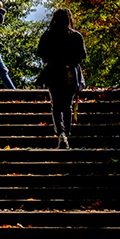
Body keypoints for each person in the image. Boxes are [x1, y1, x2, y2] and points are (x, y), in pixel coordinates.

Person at [36, 8, 86, 149]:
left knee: (56, 105)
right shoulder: (76, 36)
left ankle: (60, 133)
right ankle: (67, 134)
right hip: (71, 74)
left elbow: (43, 57)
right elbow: (81, 57)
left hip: (53, 73)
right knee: (68, 105)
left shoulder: (47, 35)